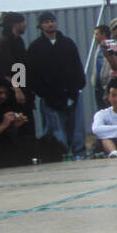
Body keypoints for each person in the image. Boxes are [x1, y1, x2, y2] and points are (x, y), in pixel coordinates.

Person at [26, 10, 87, 158]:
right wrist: (41, 92)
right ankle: (60, 154)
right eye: (46, 22)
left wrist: (77, 86)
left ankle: (79, 154)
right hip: (50, 97)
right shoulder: (35, 47)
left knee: (77, 128)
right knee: (56, 129)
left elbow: (77, 66)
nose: (50, 24)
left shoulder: (67, 43)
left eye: (52, 21)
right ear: (40, 26)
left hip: (72, 93)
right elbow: (30, 73)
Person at [0, 74, 59, 169]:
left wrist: (14, 126)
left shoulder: (0, 105)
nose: (3, 96)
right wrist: (3, 125)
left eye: (5, 93)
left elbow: (6, 136)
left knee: (50, 144)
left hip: (1, 150)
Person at [0, 11, 32, 115]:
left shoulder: (18, 41)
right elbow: (6, 72)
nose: (25, 25)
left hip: (23, 88)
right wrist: (17, 91)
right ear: (15, 25)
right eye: (22, 22)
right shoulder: (3, 43)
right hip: (10, 94)